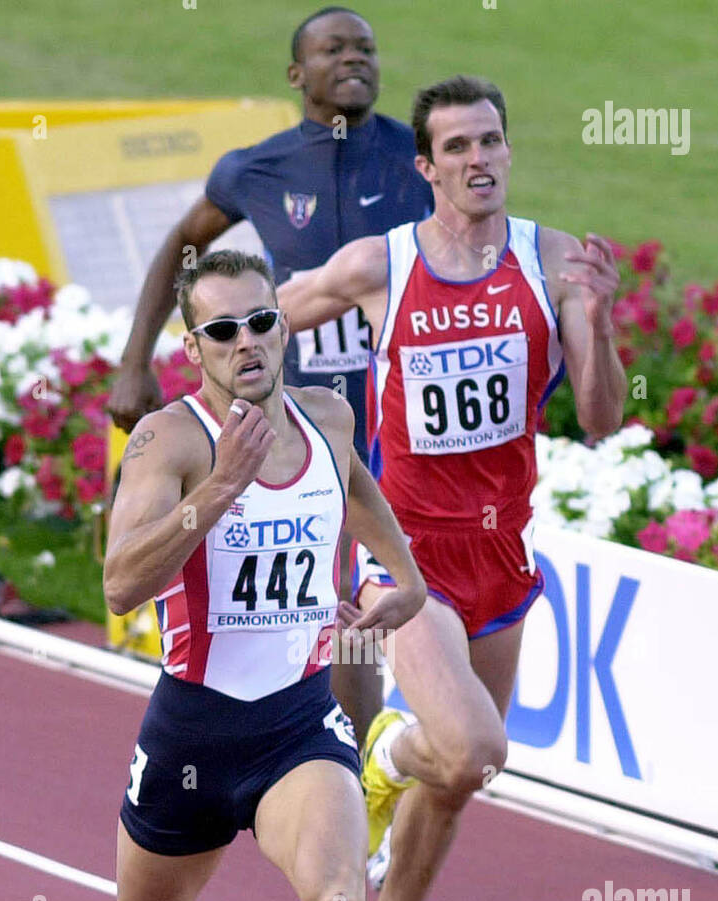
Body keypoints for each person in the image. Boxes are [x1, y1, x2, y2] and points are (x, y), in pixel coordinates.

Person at [50, 250, 426, 901]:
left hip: (297, 724)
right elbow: (121, 586)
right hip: (191, 735)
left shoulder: (327, 419)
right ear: (194, 347)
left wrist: (406, 581)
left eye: (262, 322)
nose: (248, 343)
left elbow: (365, 510)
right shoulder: (169, 441)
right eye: (223, 331)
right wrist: (213, 492)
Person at [278, 75, 626, 901]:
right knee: (471, 749)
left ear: (507, 153)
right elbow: (252, 332)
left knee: (457, 784)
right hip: (406, 561)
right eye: (457, 147)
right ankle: (388, 752)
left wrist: (591, 326)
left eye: (491, 142)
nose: (478, 159)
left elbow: (598, 422)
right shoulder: (376, 265)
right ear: (425, 167)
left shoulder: (550, 261)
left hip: (500, 556)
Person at [108, 6, 433, 745]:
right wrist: (135, 360)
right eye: (334, 49)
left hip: (382, 414)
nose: (355, 60)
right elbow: (181, 250)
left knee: (352, 596)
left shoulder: (415, 158)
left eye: (367, 49)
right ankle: (320, 759)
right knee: (327, 594)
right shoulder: (255, 168)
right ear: (298, 75)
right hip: (291, 416)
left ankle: (349, 776)